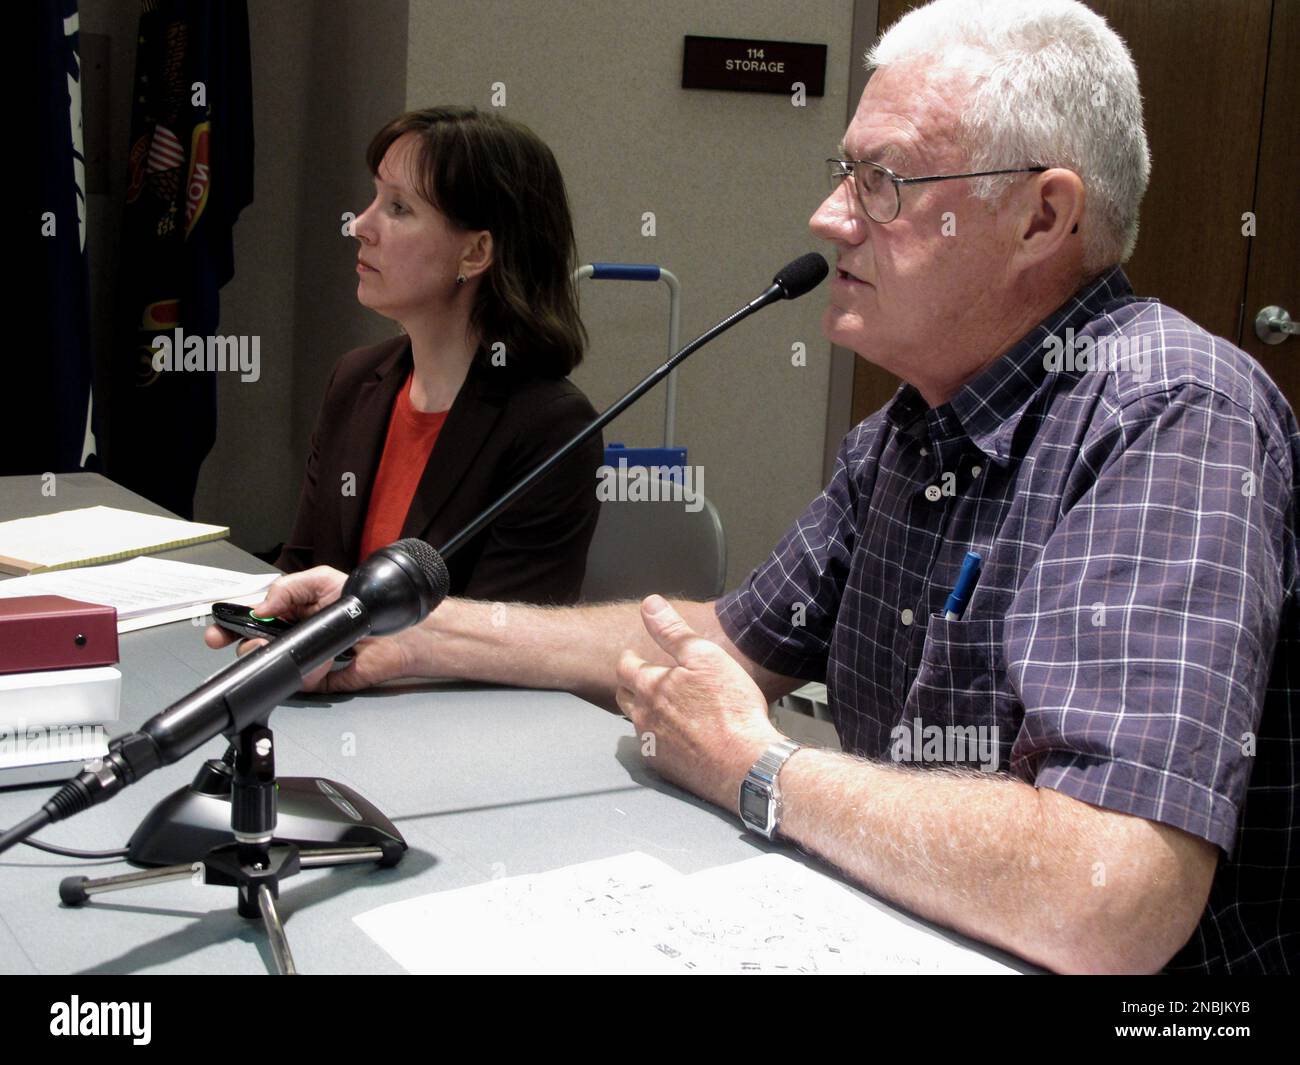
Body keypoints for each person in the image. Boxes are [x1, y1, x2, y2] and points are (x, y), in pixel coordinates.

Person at [209, 0, 1298, 973]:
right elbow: (710, 647)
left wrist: (759, 769)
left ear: (1042, 217)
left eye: (883, 181)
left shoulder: (1169, 411)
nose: (830, 218)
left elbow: (1111, 899)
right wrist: (390, 633)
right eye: (842, 172)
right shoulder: (905, 432)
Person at [275, 106, 602, 604]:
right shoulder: (355, 379)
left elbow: (506, 644)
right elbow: (301, 569)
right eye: (374, 198)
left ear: (475, 253)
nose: (359, 225)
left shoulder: (549, 428)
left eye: (399, 208)